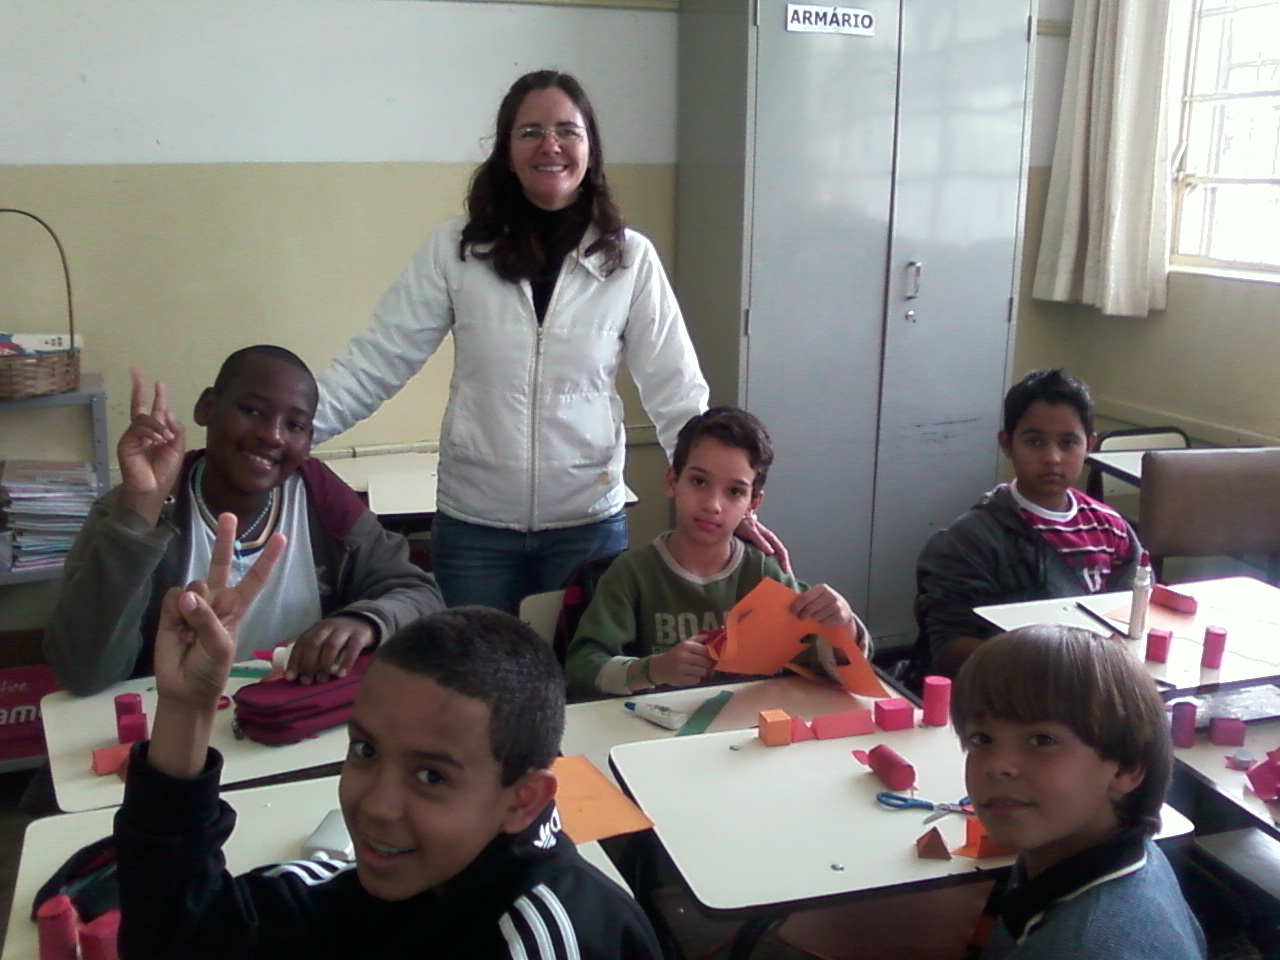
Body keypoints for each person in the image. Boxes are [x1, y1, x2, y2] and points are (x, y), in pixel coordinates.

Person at [310, 69, 782, 615]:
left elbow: (676, 390)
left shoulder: (629, 260)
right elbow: (376, 362)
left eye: (567, 130)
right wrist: (291, 431)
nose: (550, 145)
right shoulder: (455, 250)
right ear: (507, 152)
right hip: (474, 528)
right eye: (530, 131)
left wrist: (726, 498)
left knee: (578, 684)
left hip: (585, 525)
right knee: (475, 689)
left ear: (590, 149)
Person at [113, 517, 662, 959]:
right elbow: (185, 939)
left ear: (523, 799)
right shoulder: (385, 878)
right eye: (365, 750)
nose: (376, 805)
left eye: (431, 776)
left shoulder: (542, 939)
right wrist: (187, 708)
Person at [45, 346, 443, 696]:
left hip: (286, 716)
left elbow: (418, 593)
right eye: (252, 410)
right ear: (206, 407)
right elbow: (83, 674)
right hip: (168, 720)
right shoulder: (133, 508)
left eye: (295, 425)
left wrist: (366, 621)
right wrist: (140, 511)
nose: (272, 436)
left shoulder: (321, 497)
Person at [564, 407, 867, 698]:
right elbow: (581, 670)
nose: (713, 505)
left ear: (753, 504)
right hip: (653, 737)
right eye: (699, 481)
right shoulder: (631, 574)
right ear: (672, 482)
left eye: (735, 491)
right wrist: (654, 669)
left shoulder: (763, 574)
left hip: (746, 734)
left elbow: (835, 669)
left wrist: (843, 626)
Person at [952, 625, 1205, 958]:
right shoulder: (1099, 854)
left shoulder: (1085, 947)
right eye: (981, 739)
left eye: (1042, 740)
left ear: (1126, 767)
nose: (998, 765)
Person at [913, 369, 1140, 677]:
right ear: (1007, 445)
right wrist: (1046, 661)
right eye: (1035, 442)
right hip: (1014, 692)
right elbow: (949, 649)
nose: (1052, 457)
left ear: (1089, 445)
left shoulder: (1112, 528)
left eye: (1068, 443)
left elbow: (1134, 614)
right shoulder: (968, 541)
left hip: (1094, 682)